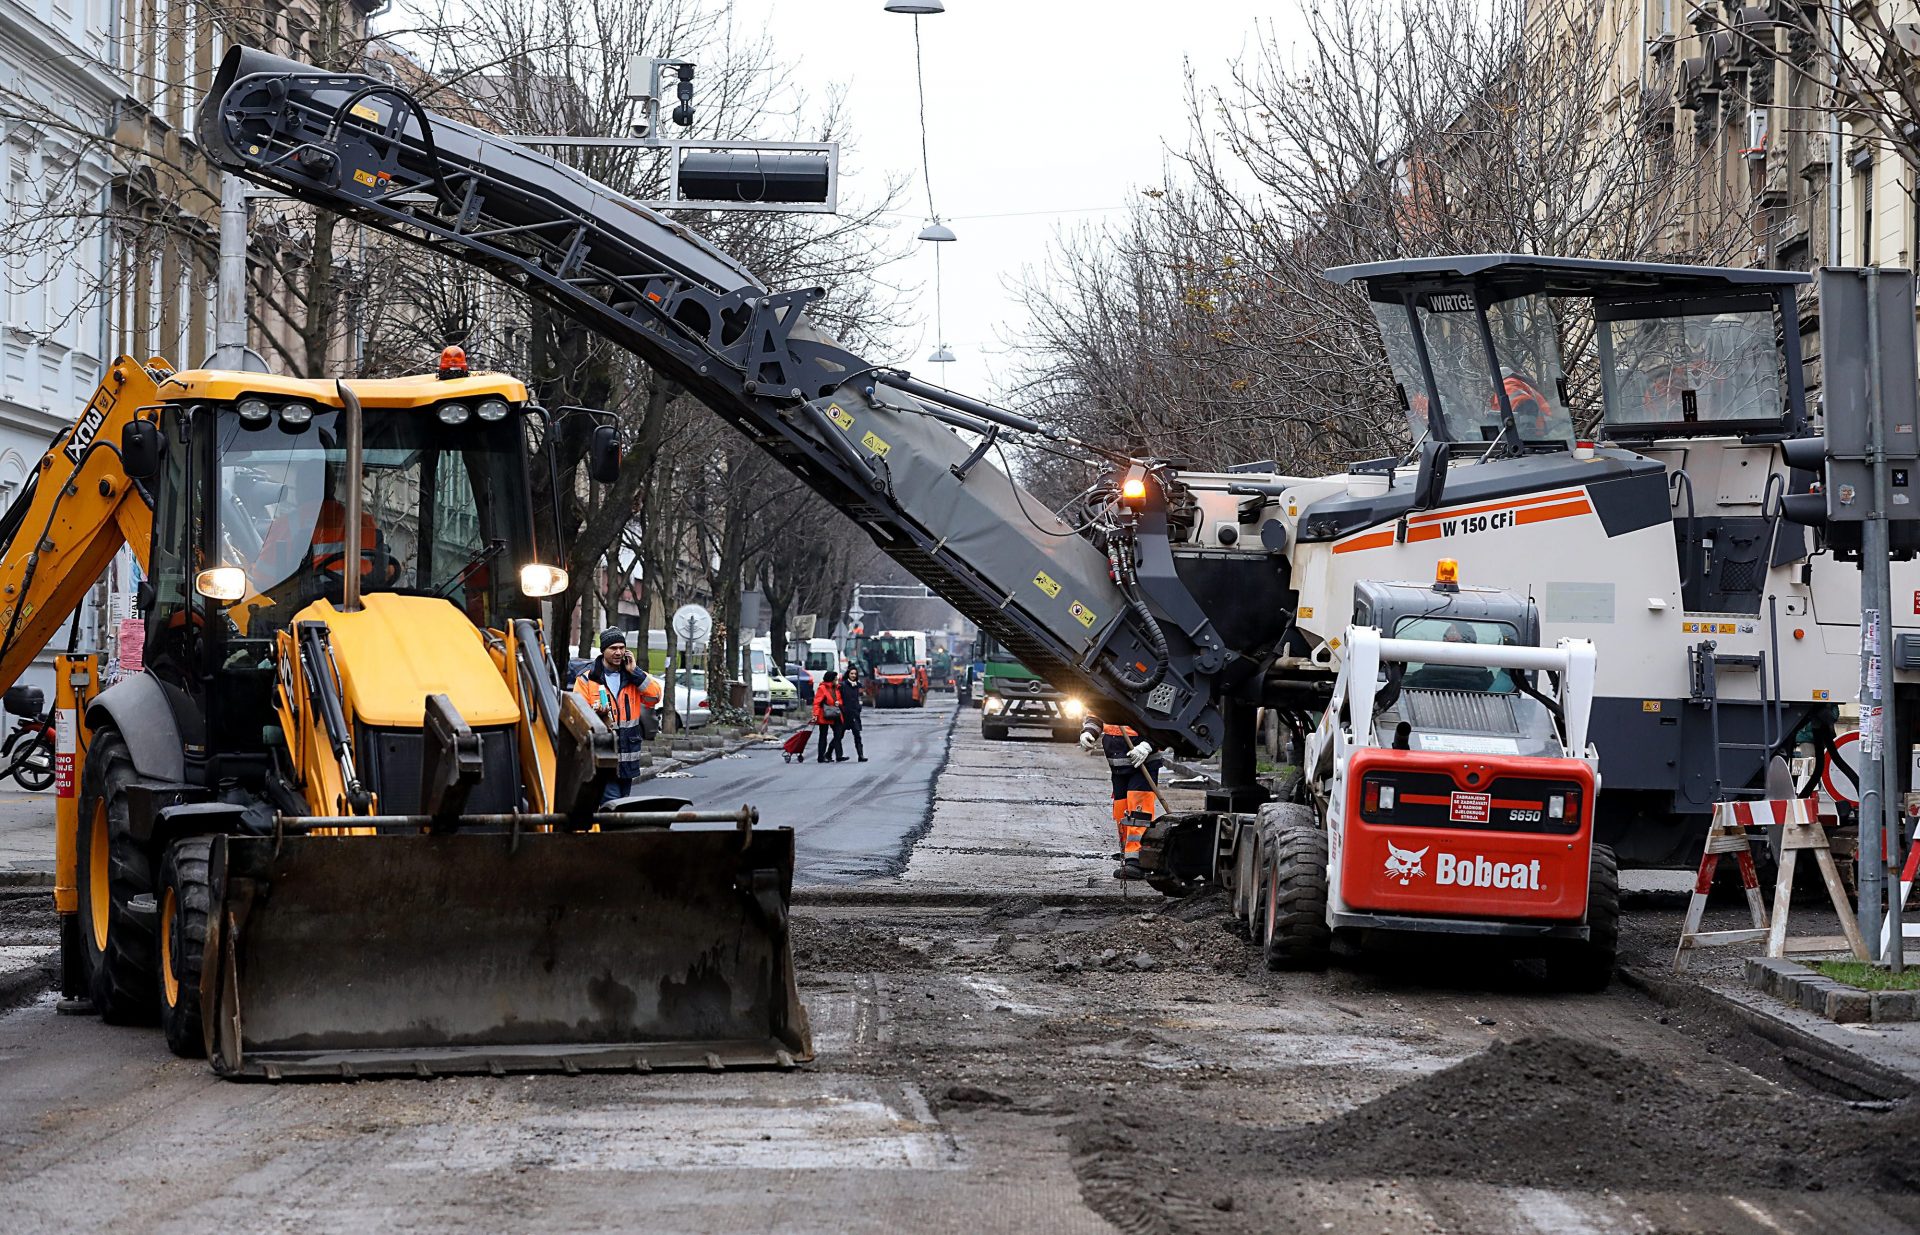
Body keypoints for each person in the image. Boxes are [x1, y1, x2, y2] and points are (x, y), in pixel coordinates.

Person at [573, 628, 663, 803]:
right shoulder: (587, 679)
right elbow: (579, 713)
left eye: (622, 648)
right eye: (613, 648)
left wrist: (635, 672)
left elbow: (654, 697)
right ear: (603, 650)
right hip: (604, 754)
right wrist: (597, 713)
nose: (619, 652)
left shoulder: (633, 676)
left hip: (628, 757)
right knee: (612, 803)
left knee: (622, 802)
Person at [1079, 711, 1160, 881]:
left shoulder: (1146, 689)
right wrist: (1089, 731)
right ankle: (1128, 853)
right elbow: (1096, 714)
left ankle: (1136, 860)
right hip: (1119, 765)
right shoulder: (1111, 691)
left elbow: (1163, 722)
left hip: (1143, 762)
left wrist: (1148, 744)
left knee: (1138, 811)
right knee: (1122, 810)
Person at [813, 670, 848, 763]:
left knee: (838, 734)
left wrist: (838, 703)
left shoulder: (836, 688)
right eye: (835, 679)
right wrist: (815, 715)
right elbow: (817, 702)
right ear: (831, 679)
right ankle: (821, 756)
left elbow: (840, 699)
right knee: (823, 735)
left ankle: (838, 755)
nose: (837, 681)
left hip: (835, 713)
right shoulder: (822, 688)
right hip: (824, 714)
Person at [841, 665, 868, 762]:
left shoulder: (858, 685)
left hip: (855, 715)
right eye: (851, 673)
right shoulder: (843, 685)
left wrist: (859, 706)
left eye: (855, 674)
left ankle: (860, 755)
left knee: (857, 735)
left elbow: (861, 697)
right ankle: (829, 753)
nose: (853, 675)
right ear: (848, 674)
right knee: (839, 735)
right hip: (845, 714)